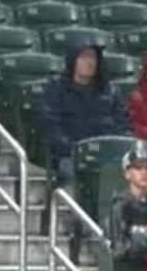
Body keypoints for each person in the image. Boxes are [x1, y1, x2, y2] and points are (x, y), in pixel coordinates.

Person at [39, 40, 128, 194]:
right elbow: (51, 126)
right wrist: (73, 150)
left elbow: (122, 124)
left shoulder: (110, 91)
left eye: (93, 58)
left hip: (108, 156)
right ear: (73, 60)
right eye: (84, 57)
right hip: (70, 155)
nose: (90, 62)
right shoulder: (56, 89)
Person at [105, 143, 147, 271]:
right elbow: (119, 249)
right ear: (127, 174)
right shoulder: (120, 205)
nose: (144, 172)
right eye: (138, 168)